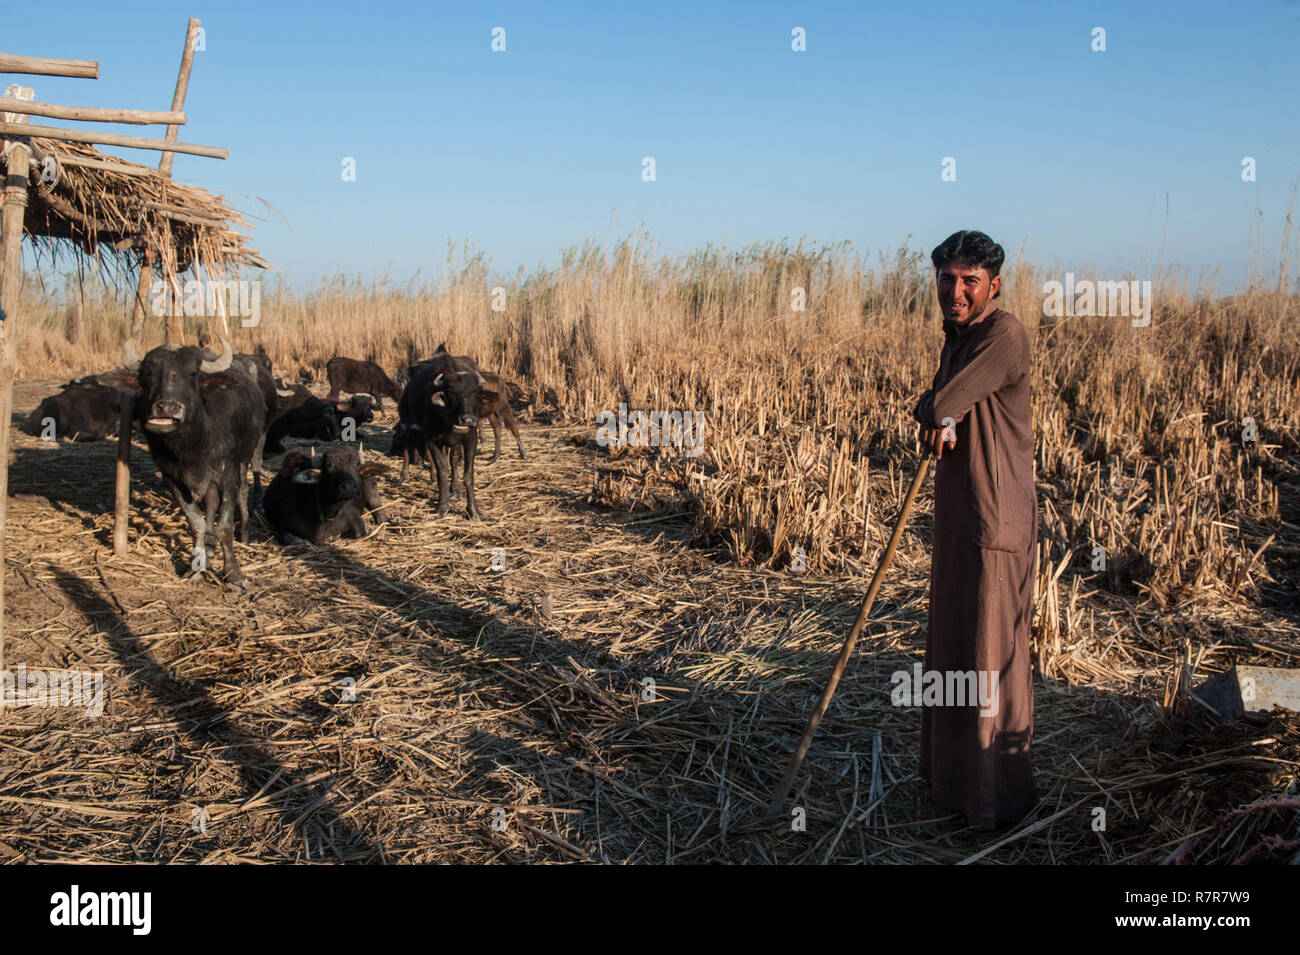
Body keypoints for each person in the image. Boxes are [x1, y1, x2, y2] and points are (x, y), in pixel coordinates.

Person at [912, 230, 1039, 830]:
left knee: (989, 656)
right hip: (959, 514)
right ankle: (952, 785)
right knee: (953, 644)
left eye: (969, 281)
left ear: (994, 285)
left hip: (996, 518)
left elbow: (942, 404)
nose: (956, 292)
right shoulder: (957, 337)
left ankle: (995, 802)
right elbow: (944, 407)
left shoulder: (1004, 335)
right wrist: (942, 410)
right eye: (947, 279)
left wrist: (938, 409)